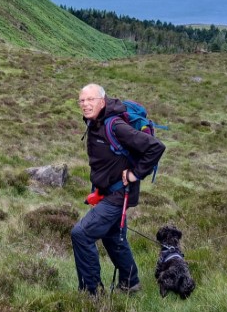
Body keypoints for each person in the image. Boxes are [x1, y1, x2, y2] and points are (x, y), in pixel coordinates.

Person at [70, 84, 165, 296]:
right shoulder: (93, 122)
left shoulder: (115, 126)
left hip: (118, 195)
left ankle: (91, 292)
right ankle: (130, 283)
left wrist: (134, 174)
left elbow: (155, 147)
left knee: (81, 234)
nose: (85, 105)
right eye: (82, 101)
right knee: (113, 238)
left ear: (102, 101)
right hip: (107, 193)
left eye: (90, 100)